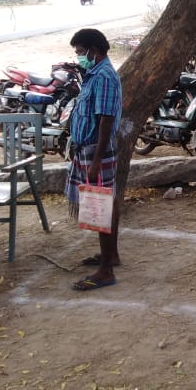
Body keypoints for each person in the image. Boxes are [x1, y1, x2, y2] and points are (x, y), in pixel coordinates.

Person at [66, 28, 123, 291]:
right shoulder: (93, 74)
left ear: (94, 51)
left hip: (96, 151)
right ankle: (109, 255)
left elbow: (106, 119)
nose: (79, 57)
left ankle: (106, 271)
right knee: (101, 203)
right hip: (87, 149)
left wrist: (97, 160)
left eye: (80, 52)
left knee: (100, 206)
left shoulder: (105, 77)